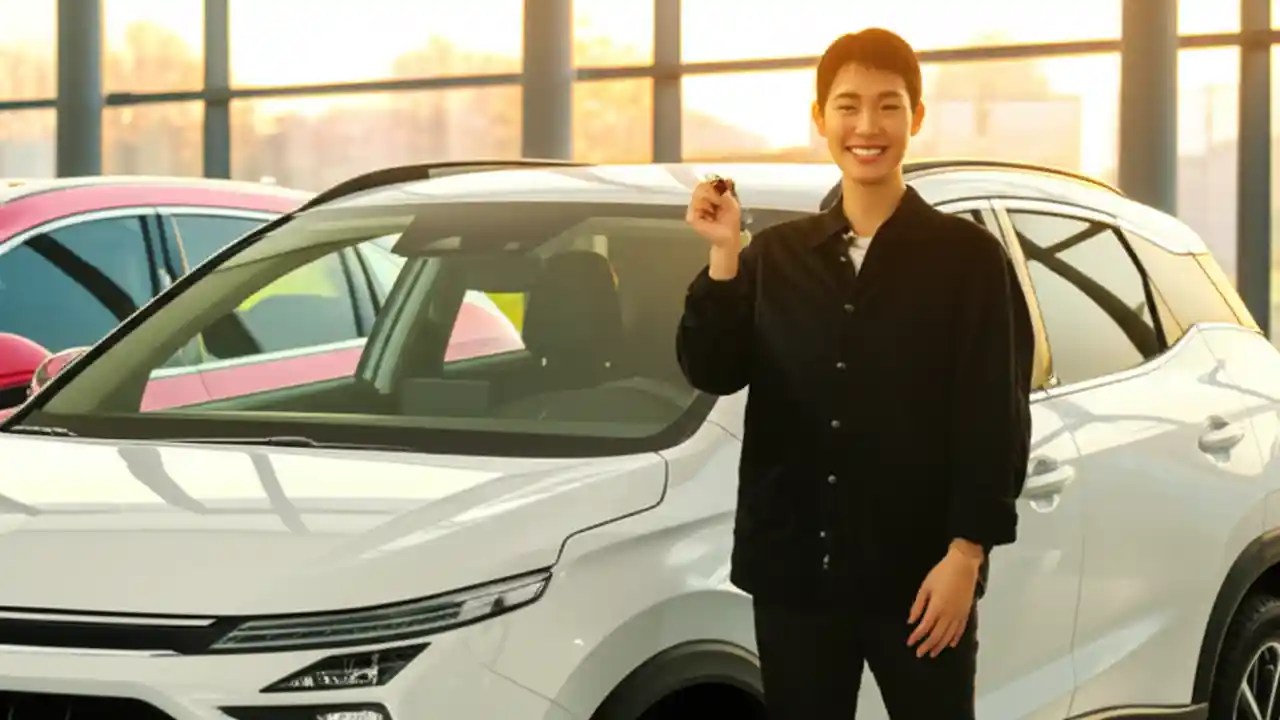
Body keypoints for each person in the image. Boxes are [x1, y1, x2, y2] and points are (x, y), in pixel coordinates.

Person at [675, 28, 1034, 719]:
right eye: (847, 106)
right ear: (820, 118)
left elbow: (995, 417)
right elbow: (712, 368)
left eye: (888, 106)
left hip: (922, 578)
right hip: (795, 579)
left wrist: (966, 556)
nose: (867, 127)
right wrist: (725, 254)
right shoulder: (775, 256)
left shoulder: (969, 261)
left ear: (916, 117)